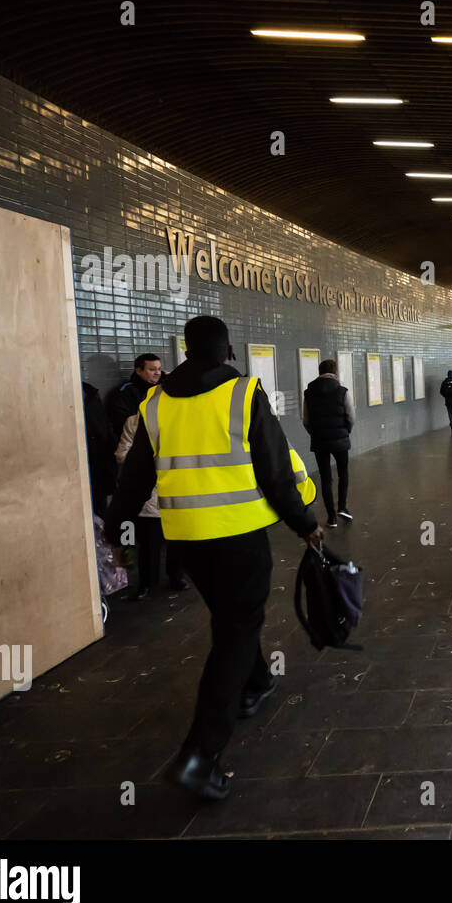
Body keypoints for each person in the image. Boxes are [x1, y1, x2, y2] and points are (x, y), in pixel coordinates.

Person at [109, 315, 322, 800]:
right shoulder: (244, 393)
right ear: (227, 350)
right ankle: (199, 758)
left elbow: (135, 477)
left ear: (185, 350)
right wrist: (305, 524)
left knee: (232, 619)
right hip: (239, 537)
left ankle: (258, 682)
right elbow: (274, 470)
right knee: (233, 633)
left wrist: (117, 530)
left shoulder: (156, 402)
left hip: (186, 541)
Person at [115, 413, 186, 599]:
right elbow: (121, 453)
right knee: (149, 544)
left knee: (178, 541)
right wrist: (147, 461)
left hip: (176, 490)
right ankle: (147, 584)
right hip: (148, 494)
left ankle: (176, 577)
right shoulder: (134, 421)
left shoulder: (179, 418)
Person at [302, 358, 354, 528]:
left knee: (325, 478)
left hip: (319, 440)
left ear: (319, 372)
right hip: (340, 440)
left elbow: (306, 420)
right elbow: (351, 417)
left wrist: (314, 433)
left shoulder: (308, 393)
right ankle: (342, 508)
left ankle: (331, 517)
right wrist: (345, 432)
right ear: (335, 372)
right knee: (343, 473)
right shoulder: (342, 391)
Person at [106, 353, 162, 440]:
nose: (157, 373)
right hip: (139, 442)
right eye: (152, 369)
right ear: (139, 371)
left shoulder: (164, 389)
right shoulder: (125, 393)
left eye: (159, 369)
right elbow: (121, 423)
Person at [82, 381, 117, 519]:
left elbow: (103, 425)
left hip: (99, 459)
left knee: (99, 507)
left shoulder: (90, 392)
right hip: (82, 459)